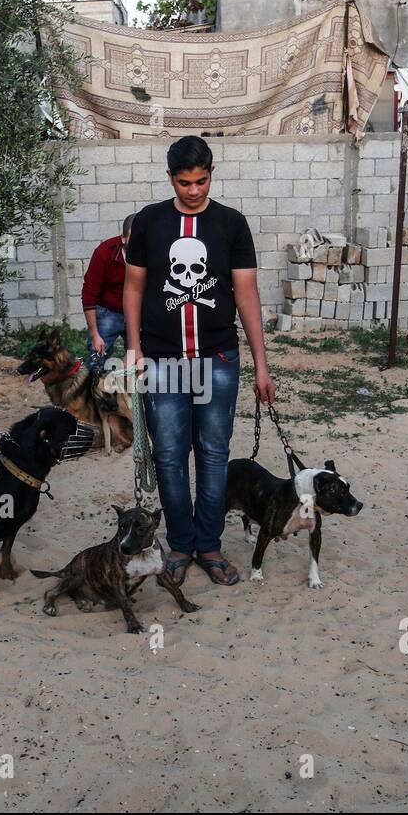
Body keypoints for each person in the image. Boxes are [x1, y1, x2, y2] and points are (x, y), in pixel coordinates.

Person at [123, 135, 275, 588]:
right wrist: (133, 347)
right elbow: (132, 288)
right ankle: (181, 546)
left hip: (217, 360)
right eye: (185, 182)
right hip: (163, 363)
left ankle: (209, 546)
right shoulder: (150, 222)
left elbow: (246, 295)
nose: (194, 190)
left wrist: (261, 364)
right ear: (170, 178)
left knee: (212, 456)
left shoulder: (231, 224)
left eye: (202, 181)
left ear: (212, 174)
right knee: (170, 457)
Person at [82, 214, 134, 376]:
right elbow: (89, 295)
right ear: (123, 238)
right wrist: (95, 334)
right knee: (96, 359)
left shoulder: (150, 253)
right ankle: (94, 397)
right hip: (108, 311)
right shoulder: (104, 252)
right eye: (134, 238)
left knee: (143, 360)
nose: (140, 243)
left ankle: (138, 398)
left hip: (137, 310)